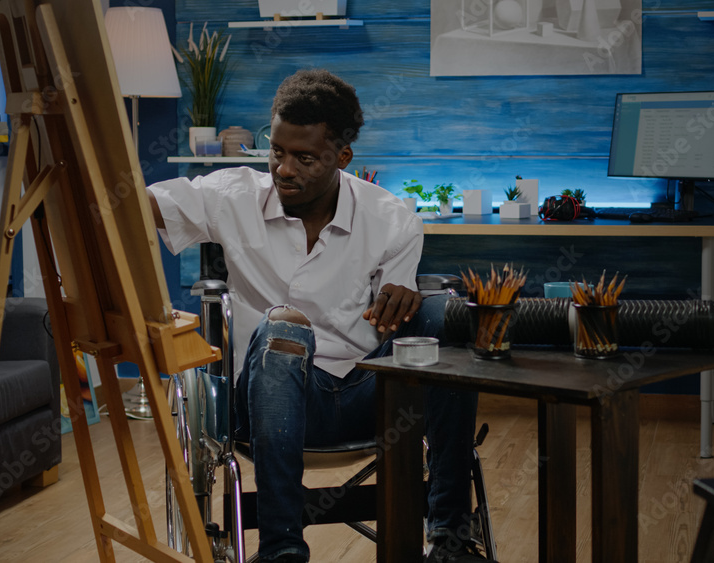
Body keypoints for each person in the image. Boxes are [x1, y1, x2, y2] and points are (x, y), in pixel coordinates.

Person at [148, 69, 494, 563]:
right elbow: (134, 208)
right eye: (277, 152)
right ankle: (282, 551)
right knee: (283, 327)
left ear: (342, 158)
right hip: (267, 397)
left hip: (365, 396)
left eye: (304, 158)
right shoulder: (232, 194)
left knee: (447, 315)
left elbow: (403, 324)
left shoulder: (393, 219)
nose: (284, 169)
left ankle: (450, 539)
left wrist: (409, 299)